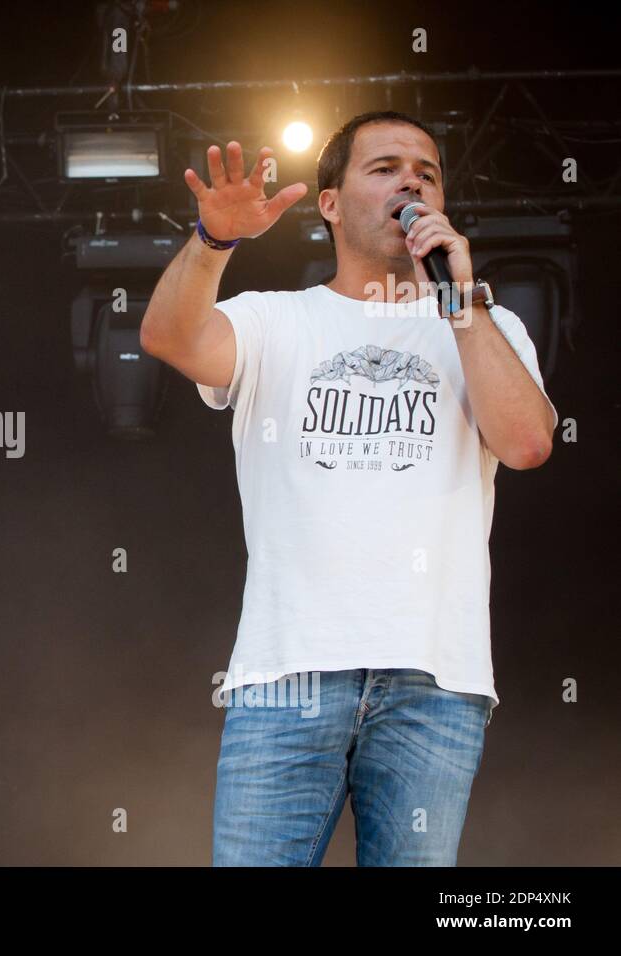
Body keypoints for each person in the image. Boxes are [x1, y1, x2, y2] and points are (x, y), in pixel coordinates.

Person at [140, 110, 556, 866]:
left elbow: (528, 443)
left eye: (426, 173)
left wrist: (461, 300)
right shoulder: (276, 323)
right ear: (329, 203)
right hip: (286, 675)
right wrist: (213, 242)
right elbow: (168, 338)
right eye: (385, 167)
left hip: (435, 681)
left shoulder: (484, 326)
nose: (411, 182)